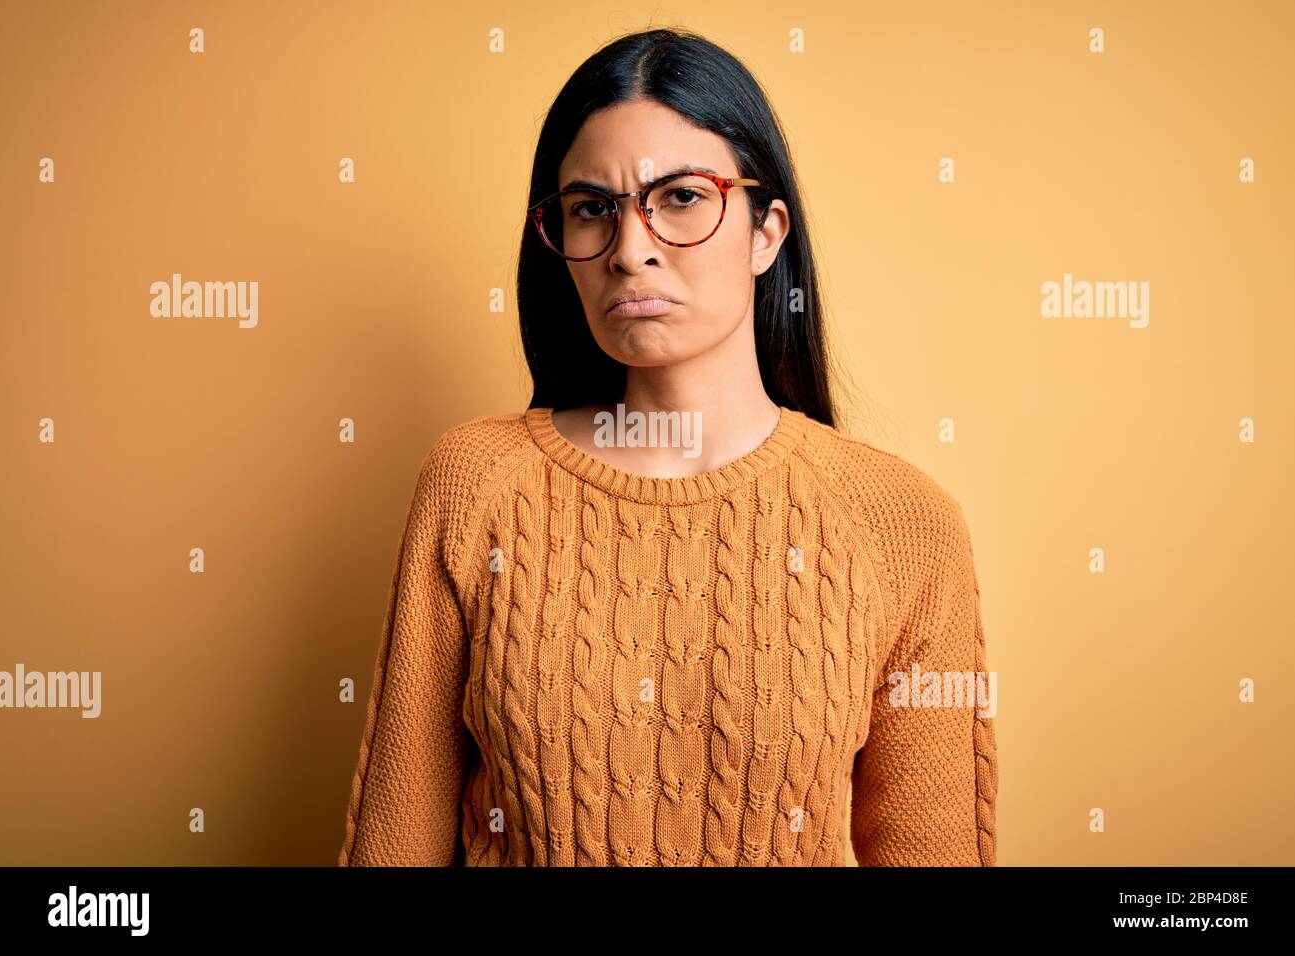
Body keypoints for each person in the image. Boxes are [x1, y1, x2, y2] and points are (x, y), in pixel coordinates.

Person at [338, 27, 997, 867]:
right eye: (592, 210)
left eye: (682, 196)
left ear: (767, 232)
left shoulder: (904, 524)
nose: (631, 249)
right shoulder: (476, 484)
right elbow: (398, 839)